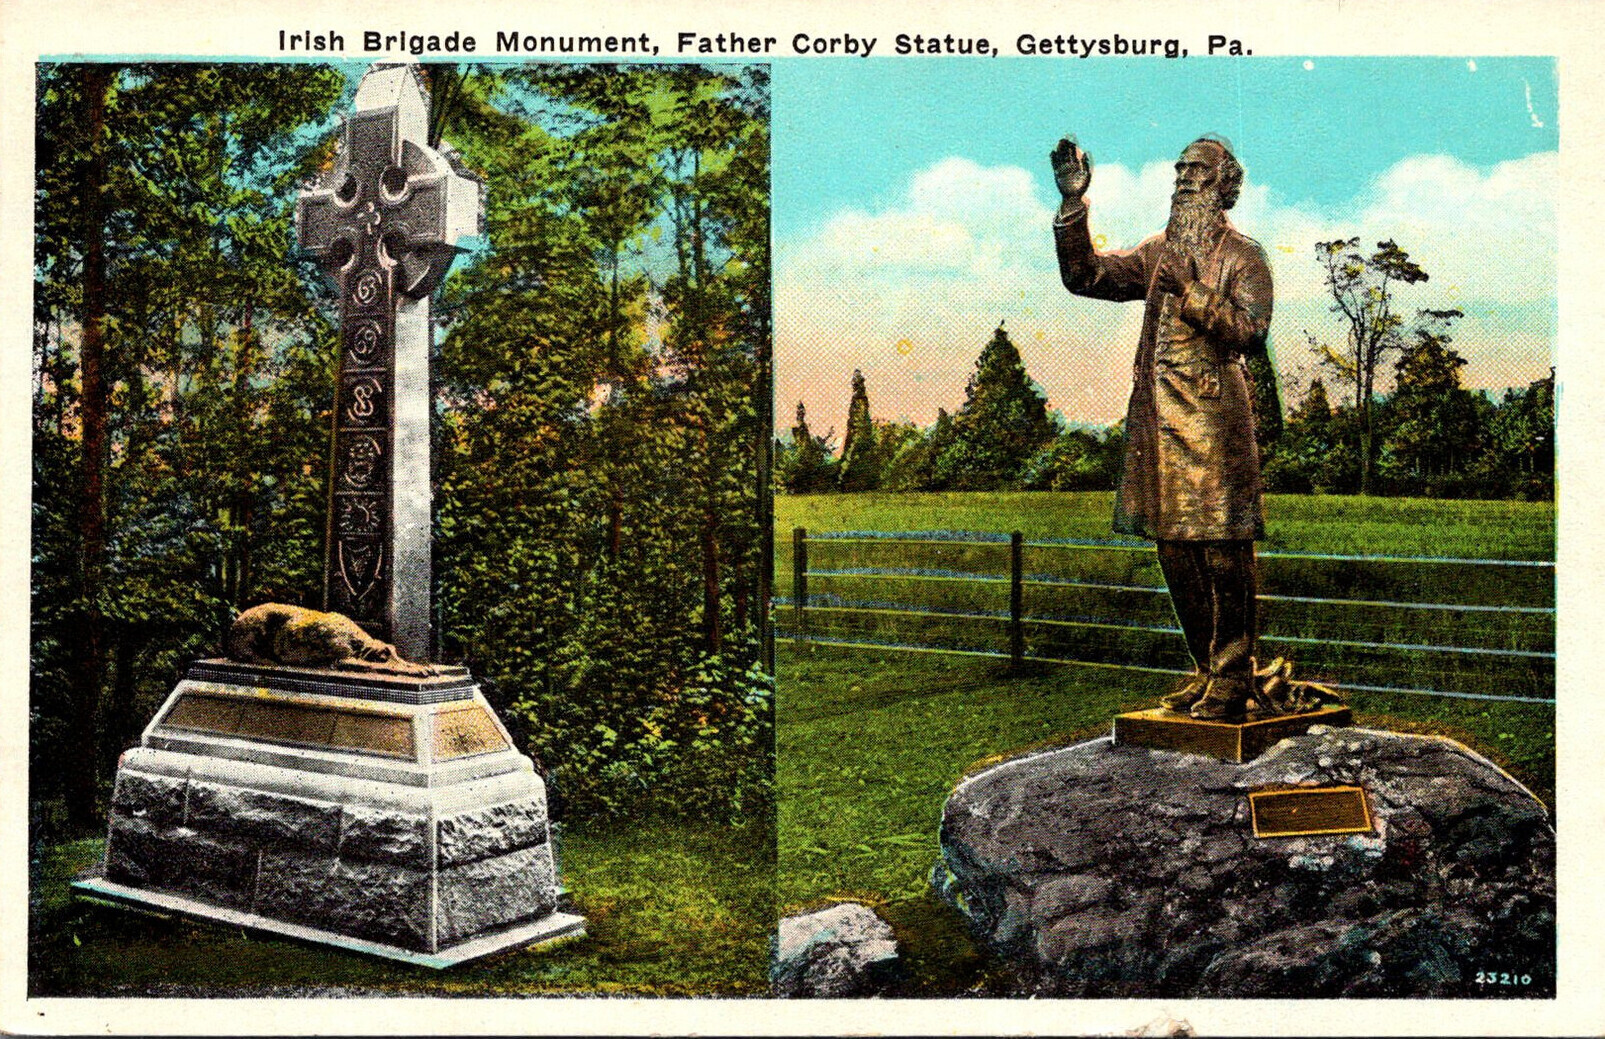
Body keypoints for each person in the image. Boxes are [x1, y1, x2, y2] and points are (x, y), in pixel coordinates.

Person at [1050, 136, 1272, 720]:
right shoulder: (1155, 251)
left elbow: (1251, 332)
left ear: (1224, 184)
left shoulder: (1243, 256)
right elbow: (1087, 276)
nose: (1182, 178)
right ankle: (1206, 670)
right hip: (1159, 426)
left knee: (1225, 553)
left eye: (1195, 170)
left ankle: (1232, 677)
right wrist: (1074, 206)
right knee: (1174, 551)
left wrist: (1191, 291)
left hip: (1216, 420)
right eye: (1178, 170)